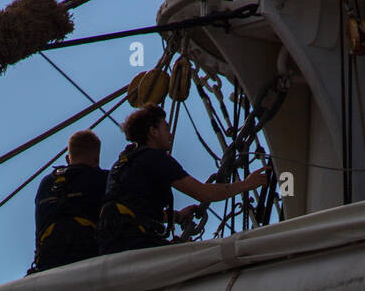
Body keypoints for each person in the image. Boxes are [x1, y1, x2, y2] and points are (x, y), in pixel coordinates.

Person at [97, 103, 269, 256]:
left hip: (110, 244)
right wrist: (245, 184)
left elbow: (135, 209)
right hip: (134, 243)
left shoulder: (122, 163)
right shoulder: (155, 158)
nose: (170, 134)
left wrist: (177, 216)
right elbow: (204, 193)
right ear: (153, 131)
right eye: (166, 128)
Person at [28, 130, 107, 273]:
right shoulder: (103, 178)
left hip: (48, 263)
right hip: (89, 260)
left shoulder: (46, 183)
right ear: (96, 158)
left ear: (67, 159)